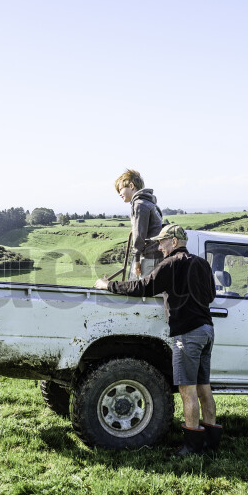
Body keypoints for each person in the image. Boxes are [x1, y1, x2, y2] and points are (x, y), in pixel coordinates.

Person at [94, 224, 221, 456]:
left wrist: (107, 285)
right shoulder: (202, 264)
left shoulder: (171, 264)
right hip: (206, 330)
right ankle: (211, 441)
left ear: (174, 242)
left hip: (187, 333)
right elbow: (211, 295)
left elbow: (143, 286)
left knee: (187, 389)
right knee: (204, 386)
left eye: (162, 242)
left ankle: (192, 446)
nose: (159, 247)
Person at [113, 169, 163, 279]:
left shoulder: (139, 205)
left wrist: (136, 260)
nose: (119, 194)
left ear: (131, 186)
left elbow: (139, 235)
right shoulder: (149, 203)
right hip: (156, 253)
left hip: (149, 256)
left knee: (142, 292)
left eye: (120, 189)